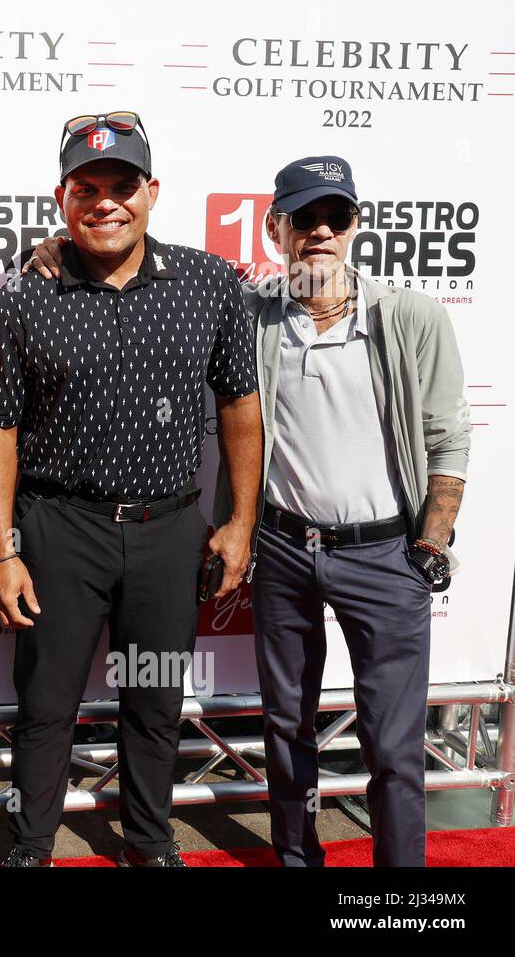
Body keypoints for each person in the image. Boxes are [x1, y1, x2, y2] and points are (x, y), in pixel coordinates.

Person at [0, 112, 263, 868]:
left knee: (156, 699)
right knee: (45, 707)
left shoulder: (209, 284)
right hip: (59, 528)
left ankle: (150, 844)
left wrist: (239, 522)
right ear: (62, 197)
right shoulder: (19, 295)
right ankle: (31, 847)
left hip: (170, 533)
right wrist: (2, 550)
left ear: (152, 192)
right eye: (87, 187)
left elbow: (239, 403)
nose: (106, 202)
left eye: (122, 186)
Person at [220, 156, 469, 867]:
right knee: (285, 726)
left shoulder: (411, 316)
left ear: (356, 225)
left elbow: (449, 434)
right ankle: (298, 860)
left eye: (335, 217)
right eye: (304, 218)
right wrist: (47, 254)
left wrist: (432, 540)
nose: (320, 232)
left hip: (388, 556)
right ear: (278, 229)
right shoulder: (252, 314)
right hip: (287, 552)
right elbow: (155, 287)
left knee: (393, 743)